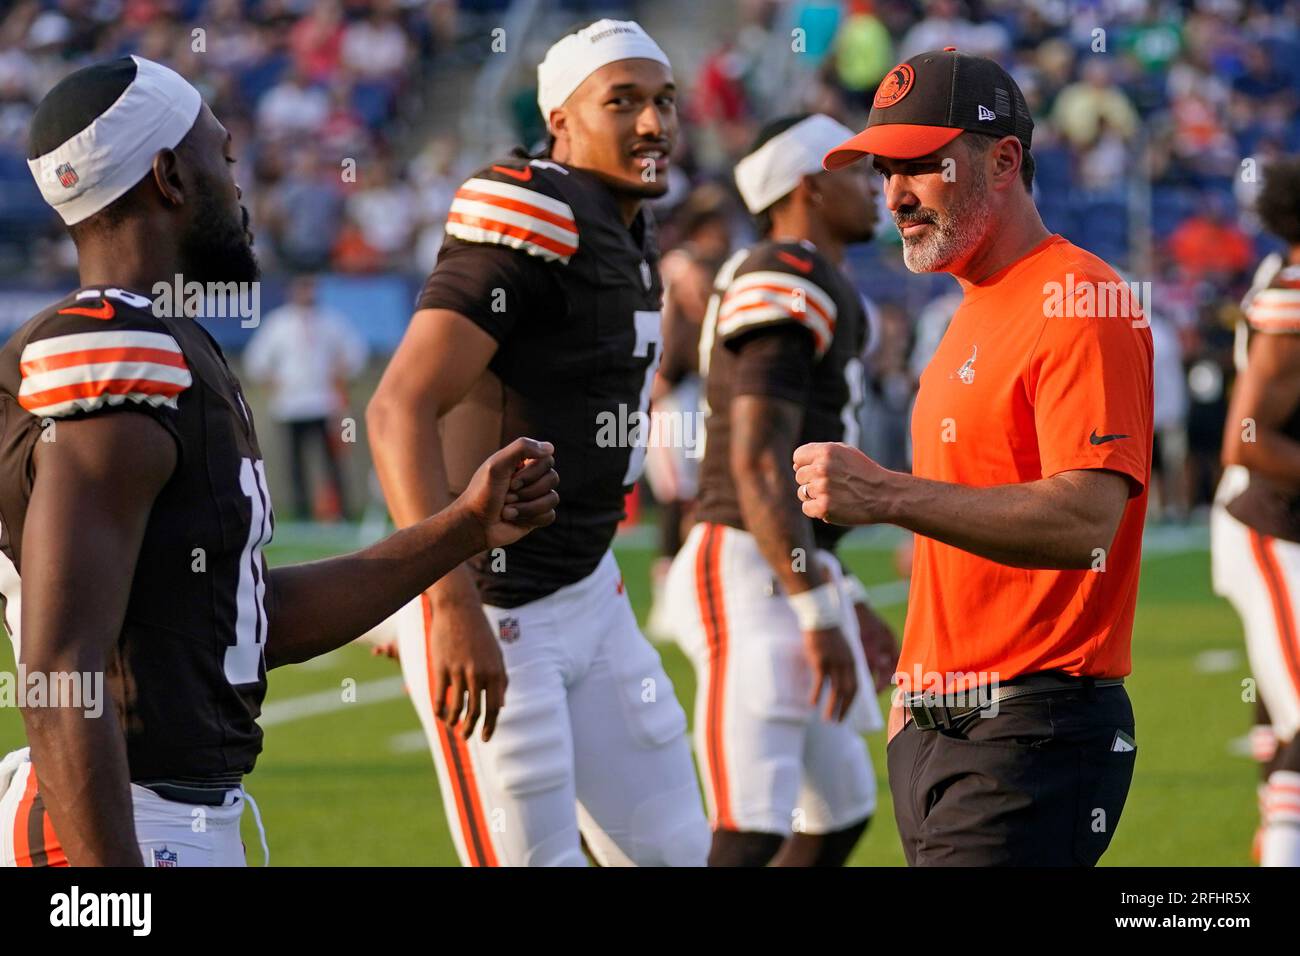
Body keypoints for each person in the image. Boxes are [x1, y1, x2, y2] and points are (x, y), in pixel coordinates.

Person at [0, 55, 558, 867]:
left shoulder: (169, 341)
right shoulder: (116, 350)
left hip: (163, 817)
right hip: (115, 828)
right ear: (168, 177)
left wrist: (462, 528)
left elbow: (253, 620)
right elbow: (58, 671)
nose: (239, 183)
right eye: (221, 160)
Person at [366, 20, 709, 867]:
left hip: (592, 589)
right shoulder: (535, 205)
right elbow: (400, 404)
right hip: (494, 603)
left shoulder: (626, 220)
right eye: (621, 102)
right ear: (561, 118)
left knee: (681, 855)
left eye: (663, 101)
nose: (653, 124)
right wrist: (439, 600)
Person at [798, 48, 1153, 866]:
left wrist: (888, 495)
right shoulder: (968, 307)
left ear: (1002, 161)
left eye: (922, 164)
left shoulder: (1079, 299)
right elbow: (967, 512)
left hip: (1031, 726)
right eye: (886, 170)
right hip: (937, 727)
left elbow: (1086, 520)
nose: (896, 195)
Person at [663, 114, 898, 866]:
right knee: (750, 825)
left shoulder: (809, 272)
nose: (879, 185)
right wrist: (815, 606)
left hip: (789, 560)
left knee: (840, 810)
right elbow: (761, 460)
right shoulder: (783, 273)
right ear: (808, 186)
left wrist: (841, 589)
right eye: (858, 171)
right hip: (745, 562)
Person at [1212, 157, 1300, 867]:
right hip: (1273, 525)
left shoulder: (1281, 270)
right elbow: (1245, 438)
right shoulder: (1293, 289)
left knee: (1285, 703)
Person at [243, 274, 366, 521]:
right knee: (294, 462)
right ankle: (302, 511)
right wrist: (272, 381)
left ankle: (341, 509)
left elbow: (354, 352)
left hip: (324, 402)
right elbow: (256, 359)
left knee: (332, 460)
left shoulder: (331, 321)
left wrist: (341, 372)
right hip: (290, 405)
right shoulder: (278, 323)